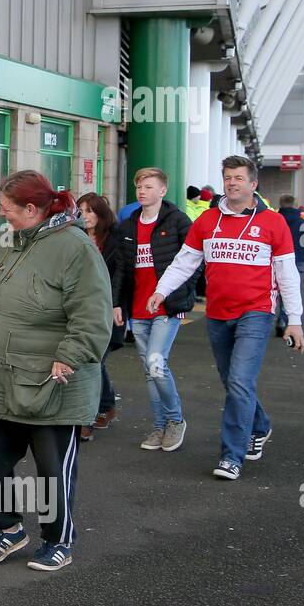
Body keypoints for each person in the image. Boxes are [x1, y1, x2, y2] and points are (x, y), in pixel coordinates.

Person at [0, 171, 111, 572]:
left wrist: (70, 356)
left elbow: (93, 317)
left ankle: (58, 539)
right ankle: (7, 528)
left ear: (32, 208)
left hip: (50, 379)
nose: (1, 213)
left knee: (51, 468)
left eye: (7, 208)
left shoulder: (75, 247)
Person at [147, 156, 304, 481]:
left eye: (238, 178)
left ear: (253, 184)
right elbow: (184, 262)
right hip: (218, 314)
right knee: (233, 381)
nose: (232, 183)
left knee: (239, 381)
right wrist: (161, 291)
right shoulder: (207, 220)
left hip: (257, 312)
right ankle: (259, 425)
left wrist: (295, 318)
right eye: (227, 177)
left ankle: (232, 455)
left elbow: (287, 274)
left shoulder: (273, 223)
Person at [112, 168, 194, 453]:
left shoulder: (178, 222)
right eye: (139, 187)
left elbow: (195, 261)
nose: (142, 191)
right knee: (150, 370)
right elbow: (121, 269)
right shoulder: (128, 225)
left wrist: (180, 296)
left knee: (157, 365)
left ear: (162, 191)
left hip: (166, 308)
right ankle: (160, 427)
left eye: (148, 186)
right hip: (137, 309)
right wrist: (117, 303)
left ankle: (175, 420)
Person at [76, 192, 124, 444]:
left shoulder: (114, 240)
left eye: (90, 211)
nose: (85, 216)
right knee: (94, 362)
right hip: (80, 309)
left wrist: (116, 304)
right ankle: (107, 405)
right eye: (81, 210)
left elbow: (119, 276)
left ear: (100, 214)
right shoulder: (75, 238)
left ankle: (86, 418)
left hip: (106, 310)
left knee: (92, 363)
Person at [275, 195, 304, 337]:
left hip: (274, 260)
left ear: (280, 204)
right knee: (290, 289)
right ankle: (283, 319)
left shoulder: (273, 220)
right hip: (297, 259)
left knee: (271, 291)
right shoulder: (303, 222)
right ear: (294, 205)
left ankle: (266, 318)